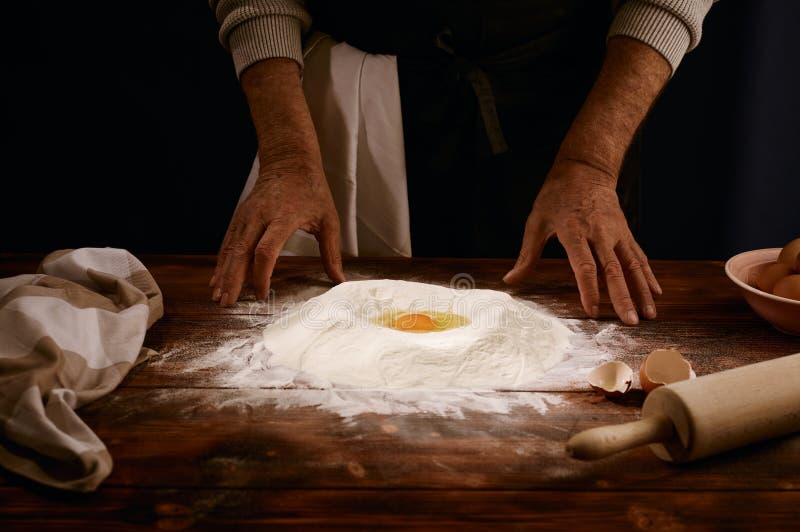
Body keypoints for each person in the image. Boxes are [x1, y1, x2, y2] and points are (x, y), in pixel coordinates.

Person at [208, 0, 715, 324]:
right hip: (352, 113)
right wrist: (288, 155)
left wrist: (591, 164)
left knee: (566, 336)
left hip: (572, 115)